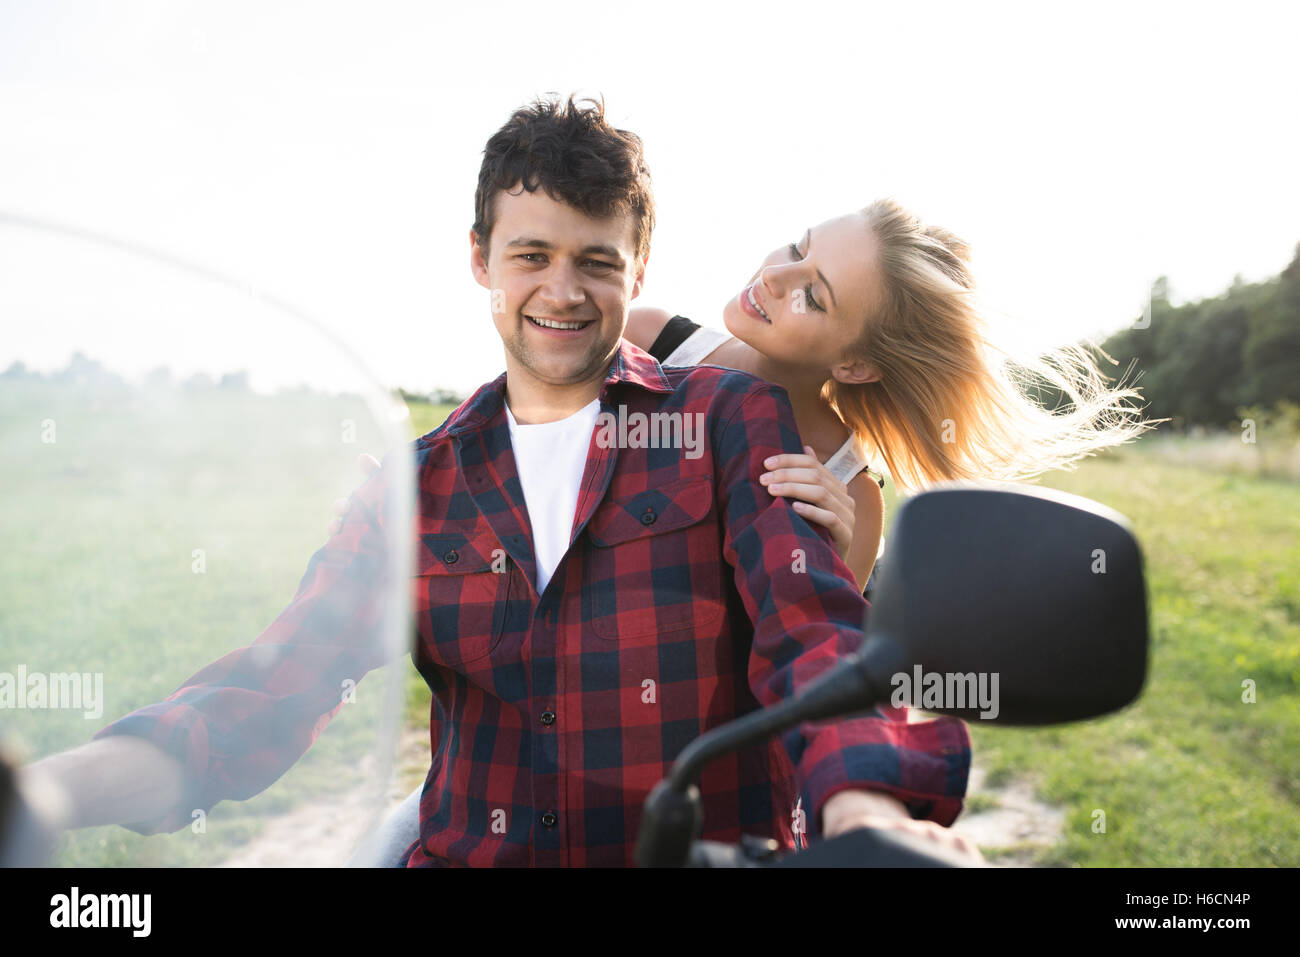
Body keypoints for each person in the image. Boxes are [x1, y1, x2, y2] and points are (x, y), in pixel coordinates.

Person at [18, 94, 979, 867]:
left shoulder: (737, 425)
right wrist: (41, 794)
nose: (562, 291)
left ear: (636, 270)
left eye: (596, 262)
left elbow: (814, 637)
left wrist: (866, 814)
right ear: (480, 260)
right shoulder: (416, 489)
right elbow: (259, 695)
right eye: (530, 256)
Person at [624, 202, 1150, 593]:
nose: (775, 276)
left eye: (813, 294)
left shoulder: (852, 496)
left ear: (856, 365)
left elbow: (811, 667)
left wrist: (827, 554)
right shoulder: (646, 339)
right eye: (797, 248)